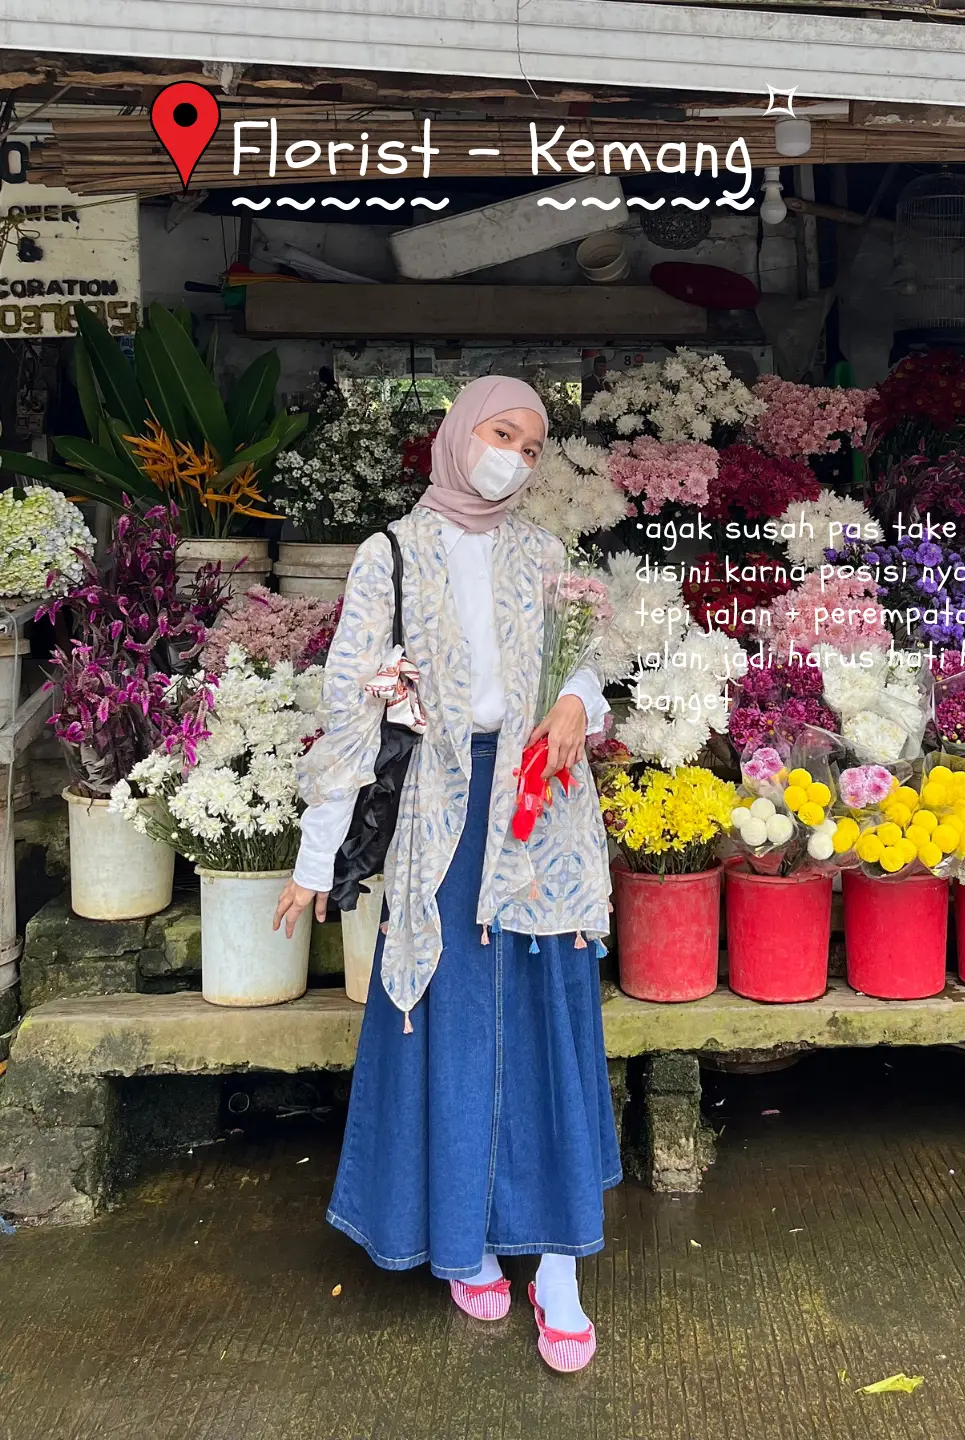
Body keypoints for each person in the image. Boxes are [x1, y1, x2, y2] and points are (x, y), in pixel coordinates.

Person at [274, 377, 621, 1373]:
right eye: (502, 433)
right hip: (443, 815)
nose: (515, 456)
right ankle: (469, 1241)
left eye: (532, 444)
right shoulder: (389, 554)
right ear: (460, 434)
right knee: (458, 1023)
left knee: (547, 1018)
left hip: (540, 810)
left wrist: (574, 701)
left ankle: (560, 1268)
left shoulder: (543, 552)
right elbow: (350, 712)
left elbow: (582, 659)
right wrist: (315, 859)